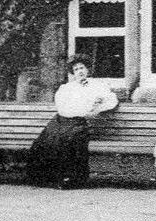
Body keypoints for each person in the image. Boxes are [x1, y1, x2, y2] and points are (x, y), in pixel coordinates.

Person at [26, 55, 119, 188]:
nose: (80, 71)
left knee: (71, 139)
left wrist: (98, 107)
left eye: (82, 68)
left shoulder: (98, 85)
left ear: (87, 70)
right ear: (73, 73)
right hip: (62, 120)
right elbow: (62, 107)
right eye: (76, 69)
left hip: (80, 123)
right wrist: (79, 110)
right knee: (48, 140)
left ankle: (72, 178)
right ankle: (48, 178)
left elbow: (112, 101)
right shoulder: (67, 88)